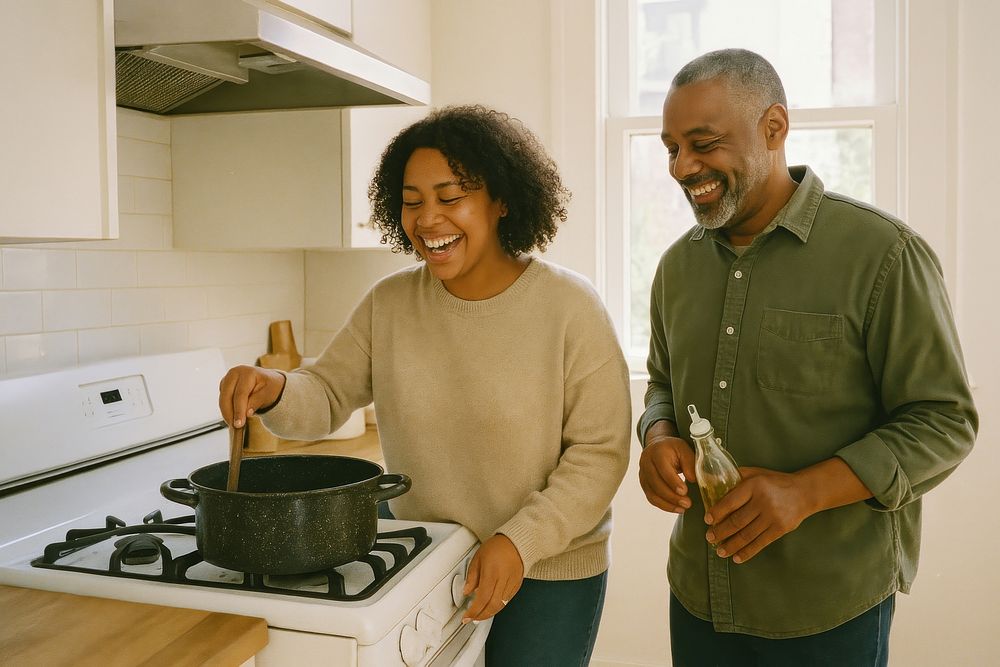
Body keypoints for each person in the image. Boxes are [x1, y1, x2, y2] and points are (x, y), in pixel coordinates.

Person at [219, 104, 632, 666]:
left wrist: (518, 541)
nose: (428, 219)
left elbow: (599, 455)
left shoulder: (569, 306)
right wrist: (275, 387)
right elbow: (325, 395)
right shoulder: (390, 303)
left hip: (547, 567)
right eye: (412, 202)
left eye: (450, 196)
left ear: (502, 200)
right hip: (428, 557)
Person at [637, 48, 977, 666]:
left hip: (830, 609)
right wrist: (658, 434)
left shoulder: (884, 255)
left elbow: (944, 420)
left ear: (774, 128)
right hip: (698, 599)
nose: (682, 166)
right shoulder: (676, 267)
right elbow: (663, 383)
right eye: (670, 148)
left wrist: (806, 492)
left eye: (703, 143)